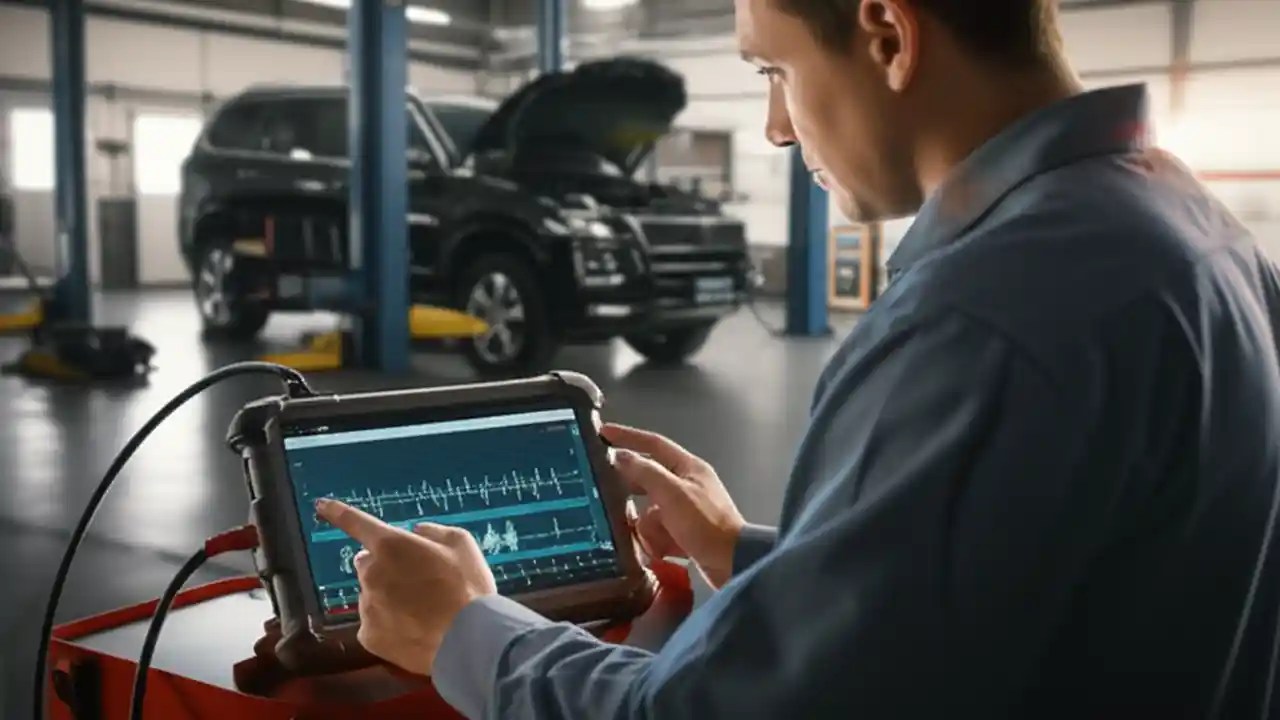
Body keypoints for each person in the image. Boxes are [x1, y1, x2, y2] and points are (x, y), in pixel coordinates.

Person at [316, 0, 1280, 716]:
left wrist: (466, 634)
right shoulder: (1195, 230)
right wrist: (753, 557)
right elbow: (1038, 583)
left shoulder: (982, 318)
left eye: (773, 70)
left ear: (888, 36)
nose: (777, 127)